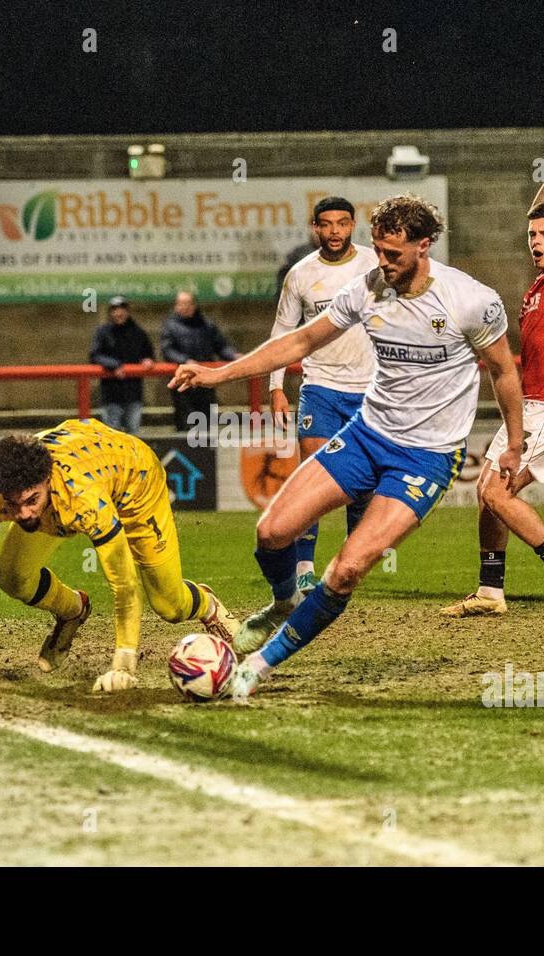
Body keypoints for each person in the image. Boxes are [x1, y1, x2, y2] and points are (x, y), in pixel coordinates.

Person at [170, 194, 525, 701]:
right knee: (272, 531)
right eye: (378, 250)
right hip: (366, 434)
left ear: (424, 246)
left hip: (425, 457)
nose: (382, 262)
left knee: (348, 568)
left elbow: (503, 370)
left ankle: (258, 666)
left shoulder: (470, 300)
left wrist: (514, 443)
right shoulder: (368, 289)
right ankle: (283, 601)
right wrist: (217, 373)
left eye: (393, 253)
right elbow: (298, 343)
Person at [442, 135, 544, 619]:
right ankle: (491, 592)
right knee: (485, 491)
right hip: (533, 403)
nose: (535, 241)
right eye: (531, 236)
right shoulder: (539, 284)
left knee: (497, 490)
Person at [0, 419, 239, 693]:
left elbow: (125, 584)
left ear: (46, 480)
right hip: (84, 456)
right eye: (13, 504)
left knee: (169, 605)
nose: (23, 514)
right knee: (10, 577)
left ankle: (207, 605)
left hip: (135, 482)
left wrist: (123, 663)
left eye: (31, 500)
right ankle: (73, 610)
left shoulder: (84, 500)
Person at [267, 196, 376, 593]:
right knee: (314, 477)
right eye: (326, 224)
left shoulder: (373, 265)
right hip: (320, 387)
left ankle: (350, 563)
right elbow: (283, 334)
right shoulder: (299, 274)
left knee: (362, 483)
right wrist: (276, 387)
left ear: (353, 225)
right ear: (315, 227)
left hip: (368, 389)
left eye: (342, 224)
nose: (334, 232)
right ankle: (303, 568)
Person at [159, 290, 237, 431]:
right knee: (185, 421)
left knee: (207, 419)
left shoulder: (207, 325)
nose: (185, 307)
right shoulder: (170, 326)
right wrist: (185, 361)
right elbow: (167, 350)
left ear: (194, 305)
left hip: (205, 380)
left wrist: (233, 356)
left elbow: (221, 346)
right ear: (176, 306)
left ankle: (208, 450)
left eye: (188, 303)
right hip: (183, 381)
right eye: (182, 304)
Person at [88, 295, 154, 434]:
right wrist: (114, 365)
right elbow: (95, 355)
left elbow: (148, 353)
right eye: (115, 309)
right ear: (110, 312)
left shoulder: (138, 332)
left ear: (127, 311)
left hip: (133, 392)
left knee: (133, 434)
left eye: (122, 309)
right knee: (112, 435)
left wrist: (147, 360)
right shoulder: (103, 332)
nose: (119, 313)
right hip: (111, 392)